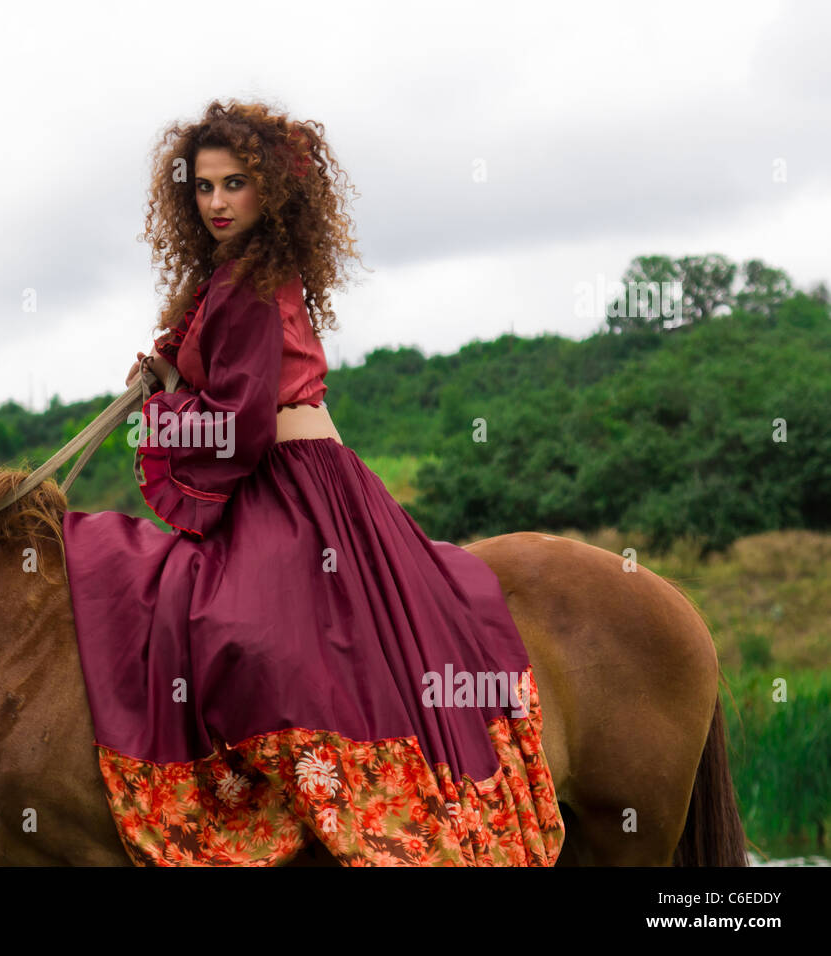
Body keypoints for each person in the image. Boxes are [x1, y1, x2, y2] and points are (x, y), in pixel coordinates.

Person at [60, 99, 564, 866]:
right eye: (203, 187)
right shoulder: (226, 279)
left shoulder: (252, 282)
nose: (219, 203)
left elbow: (243, 420)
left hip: (291, 483)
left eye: (235, 184)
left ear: (270, 191)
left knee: (251, 636)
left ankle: (315, 810)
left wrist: (163, 412)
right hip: (282, 478)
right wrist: (168, 381)